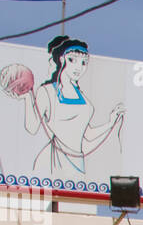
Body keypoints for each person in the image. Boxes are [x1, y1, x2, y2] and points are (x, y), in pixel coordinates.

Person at [16, 35, 125, 175]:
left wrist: (111, 122)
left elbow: (88, 134)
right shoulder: (48, 91)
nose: (79, 67)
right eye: (72, 60)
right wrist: (27, 98)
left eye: (84, 63)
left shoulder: (83, 97)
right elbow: (32, 127)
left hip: (77, 159)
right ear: (62, 59)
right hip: (54, 159)